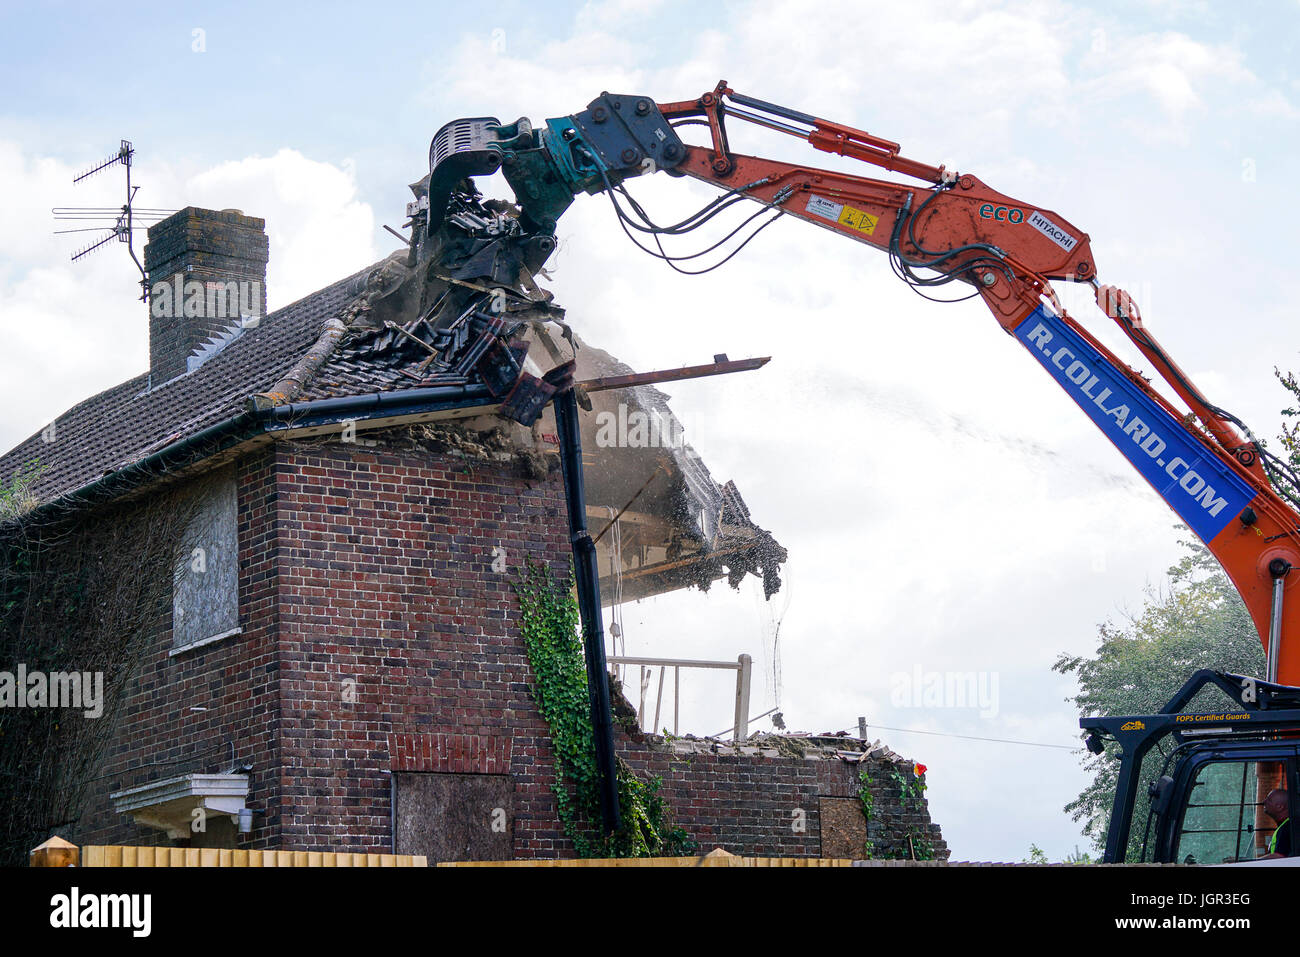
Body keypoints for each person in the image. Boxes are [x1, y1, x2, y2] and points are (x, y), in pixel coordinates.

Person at [1261, 788, 1293, 859]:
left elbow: (1278, 857)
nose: (1264, 801)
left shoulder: (1288, 827)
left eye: (1269, 800)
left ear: (1280, 807)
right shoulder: (1285, 826)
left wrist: (1250, 863)